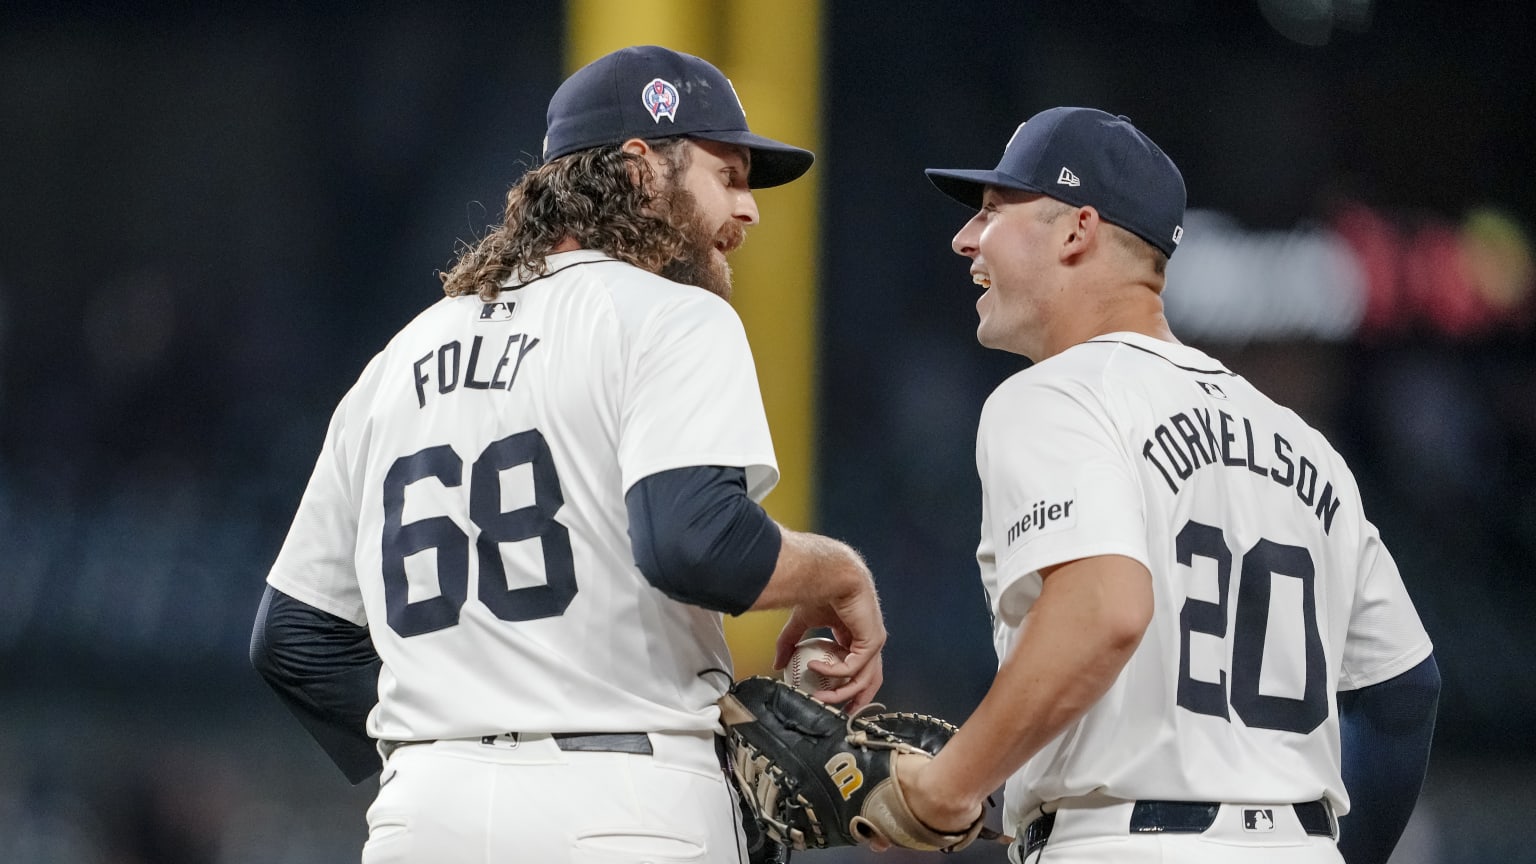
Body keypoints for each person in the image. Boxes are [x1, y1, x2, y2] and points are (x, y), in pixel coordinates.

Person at [249, 45, 885, 864]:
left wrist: (454, 737)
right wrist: (840, 573)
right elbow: (695, 542)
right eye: (727, 174)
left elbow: (295, 639)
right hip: (621, 807)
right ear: (640, 168)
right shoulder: (671, 317)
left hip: (422, 819)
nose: (749, 209)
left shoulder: (397, 360)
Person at [891, 107, 1439, 864]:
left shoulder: (1059, 393)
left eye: (992, 212)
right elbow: (1404, 691)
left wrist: (948, 785)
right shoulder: (1305, 447)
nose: (967, 240)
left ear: (1076, 230)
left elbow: (1104, 609)